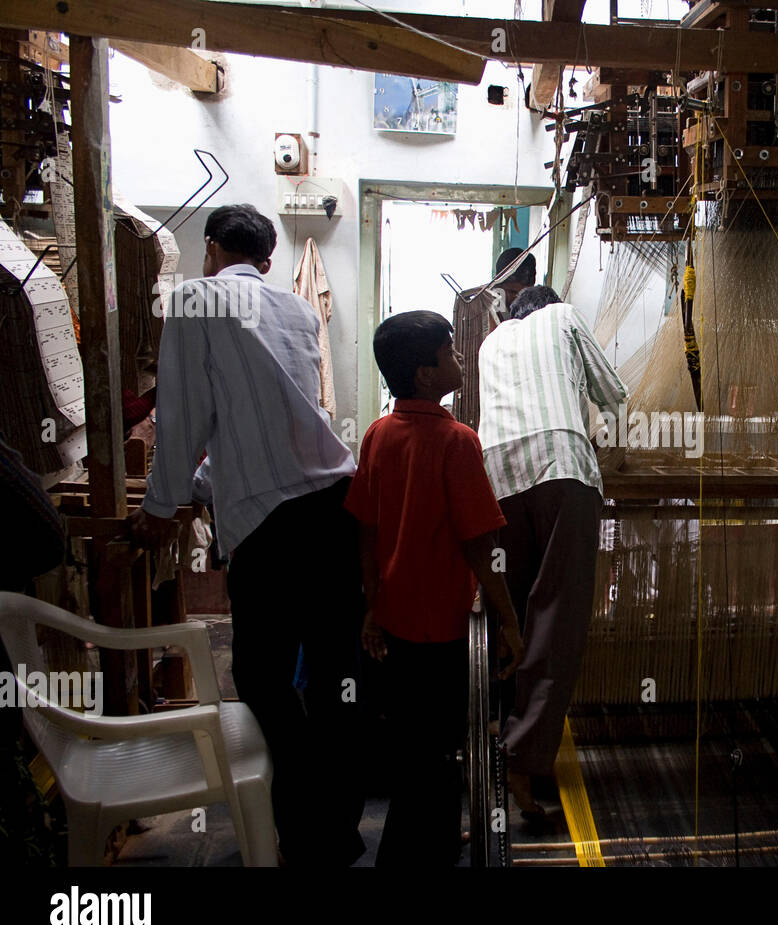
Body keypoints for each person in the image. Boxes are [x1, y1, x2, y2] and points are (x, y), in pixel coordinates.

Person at [128, 203, 365, 866]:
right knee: (334, 678)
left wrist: (160, 504)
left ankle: (299, 828)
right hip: (332, 505)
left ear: (210, 250)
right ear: (265, 260)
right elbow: (256, 421)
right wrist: (195, 486)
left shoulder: (196, 299)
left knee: (261, 679)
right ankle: (338, 833)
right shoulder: (295, 309)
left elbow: (182, 416)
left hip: (273, 524)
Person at [344, 310, 523, 866]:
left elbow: (367, 532)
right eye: (449, 351)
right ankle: (411, 853)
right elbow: (479, 546)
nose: (459, 359)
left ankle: (430, 839)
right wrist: (510, 621)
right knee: (437, 752)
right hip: (442, 630)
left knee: (415, 749)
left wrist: (372, 608)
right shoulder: (456, 441)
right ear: (425, 373)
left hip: (395, 624)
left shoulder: (377, 435)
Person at [477, 284, 627, 813]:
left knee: (513, 611)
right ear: (550, 305)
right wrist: (619, 449)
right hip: (560, 466)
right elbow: (613, 393)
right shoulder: (564, 315)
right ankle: (522, 760)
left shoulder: (490, 343)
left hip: (495, 475)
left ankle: (498, 726)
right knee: (557, 616)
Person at [452, 249, 536, 433]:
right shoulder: (485, 307)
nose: (516, 298)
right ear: (497, 283)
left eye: (522, 293)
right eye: (511, 292)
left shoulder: (537, 308)